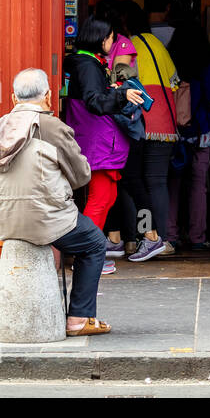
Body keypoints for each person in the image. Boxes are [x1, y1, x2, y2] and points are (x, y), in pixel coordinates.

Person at [0, 68, 112, 337]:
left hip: (3, 220)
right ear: (48, 96)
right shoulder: (54, 128)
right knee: (94, 243)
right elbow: (81, 176)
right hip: (46, 220)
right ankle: (78, 319)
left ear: (13, 98)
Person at [63, 16, 144, 262]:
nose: (112, 43)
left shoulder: (86, 62)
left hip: (99, 141)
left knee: (107, 196)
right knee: (99, 199)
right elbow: (94, 101)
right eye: (110, 38)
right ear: (100, 39)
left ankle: (91, 255)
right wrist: (121, 95)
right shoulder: (88, 65)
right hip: (98, 142)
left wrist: (115, 91)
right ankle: (86, 258)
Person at [123, 0, 180, 263]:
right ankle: (162, 239)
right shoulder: (157, 44)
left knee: (134, 182)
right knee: (157, 182)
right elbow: (175, 82)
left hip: (140, 123)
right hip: (165, 123)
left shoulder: (127, 47)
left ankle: (141, 237)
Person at [165, 16, 210, 250]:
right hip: (201, 129)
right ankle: (198, 237)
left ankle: (170, 234)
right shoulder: (205, 64)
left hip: (175, 128)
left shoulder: (171, 59)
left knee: (173, 183)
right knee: (199, 185)